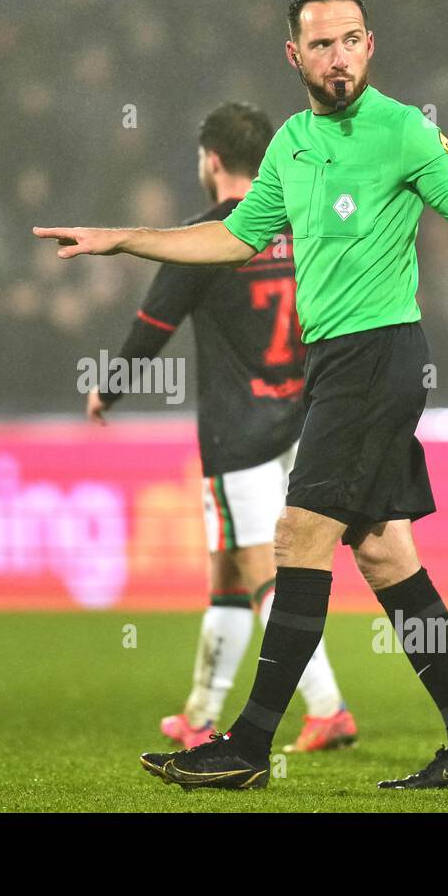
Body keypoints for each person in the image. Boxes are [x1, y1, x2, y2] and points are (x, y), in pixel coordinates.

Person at [34, 0, 448, 791]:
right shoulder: (291, 143)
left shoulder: (406, 132)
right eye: (322, 44)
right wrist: (121, 241)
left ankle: (247, 748)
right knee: (387, 554)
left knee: (294, 537)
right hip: (340, 365)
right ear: (296, 56)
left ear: (372, 45)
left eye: (351, 40)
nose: (339, 56)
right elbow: (231, 240)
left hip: (378, 358)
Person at [92, 102, 356, 755]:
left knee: (263, 573)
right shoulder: (301, 223)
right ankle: (200, 714)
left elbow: (152, 327)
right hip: (304, 418)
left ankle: (327, 708)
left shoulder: (206, 237)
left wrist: (109, 387)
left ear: (211, 160)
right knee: (230, 575)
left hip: (239, 433)